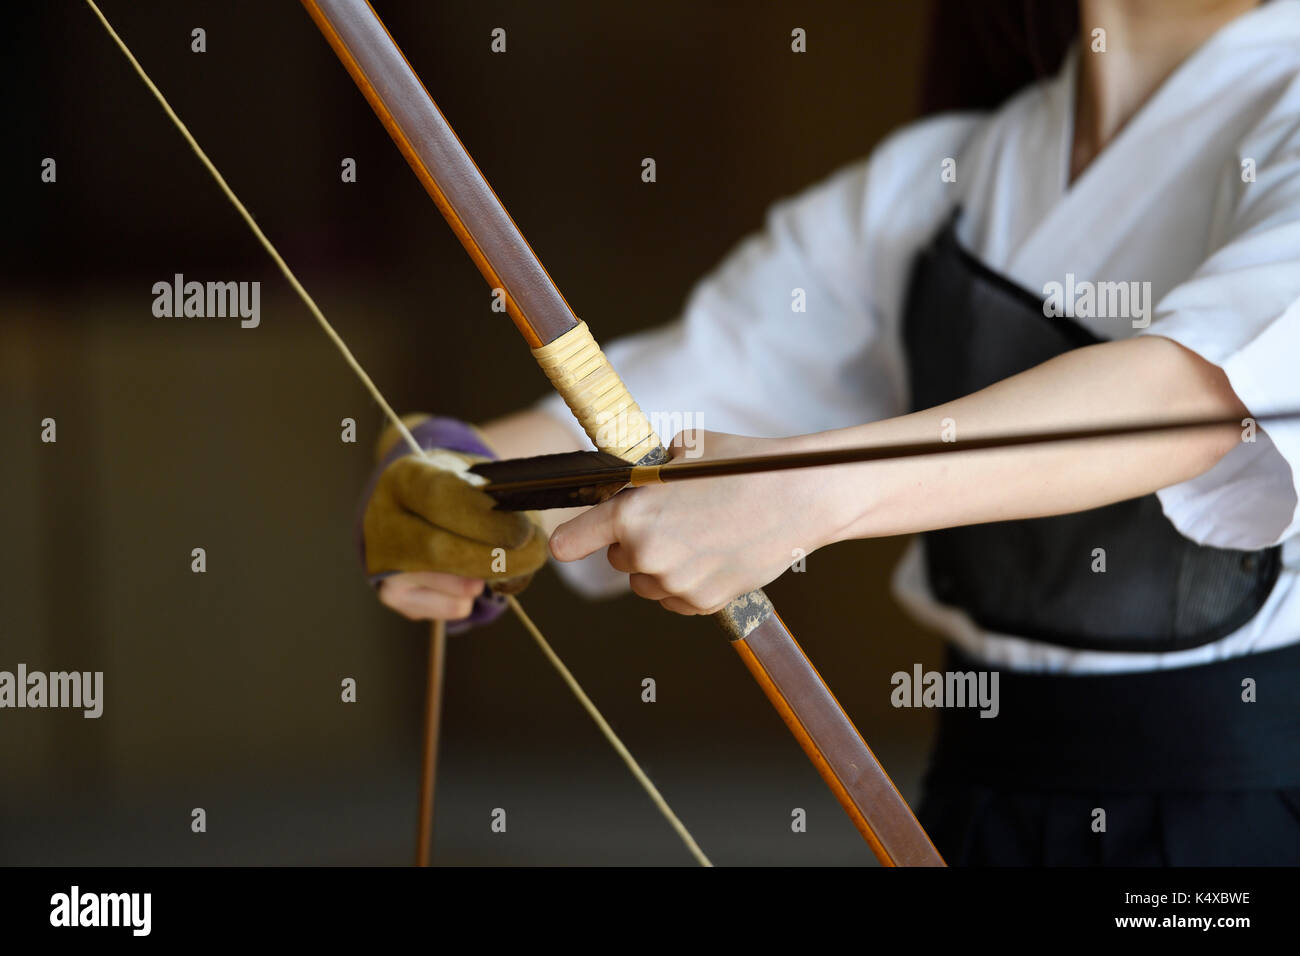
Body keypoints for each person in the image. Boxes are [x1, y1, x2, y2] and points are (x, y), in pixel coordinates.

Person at [359, 0, 1300, 865]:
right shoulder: (946, 173)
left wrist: (811, 490)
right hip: (977, 803)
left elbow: (1198, 394)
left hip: (1235, 812)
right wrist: (466, 483)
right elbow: (690, 389)